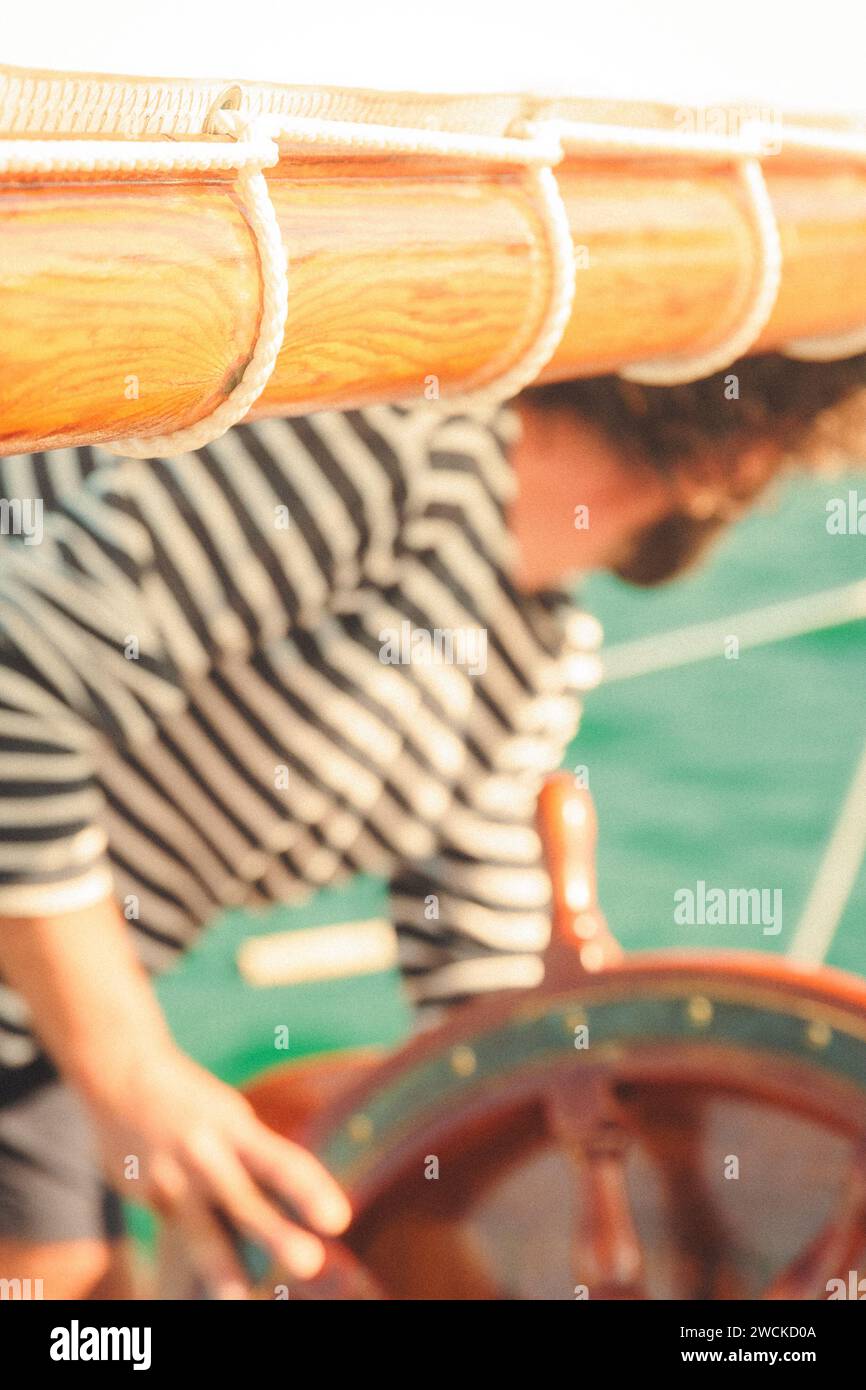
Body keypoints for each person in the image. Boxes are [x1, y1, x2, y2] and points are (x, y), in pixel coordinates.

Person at [0, 352, 863, 1299]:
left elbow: (480, 1034)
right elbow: (15, 692)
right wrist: (130, 1073)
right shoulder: (383, 440)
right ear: (740, 464)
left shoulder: (530, 654)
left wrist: (588, 1081)